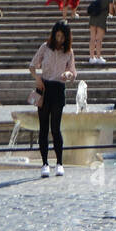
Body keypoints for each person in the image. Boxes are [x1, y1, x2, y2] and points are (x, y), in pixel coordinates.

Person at [30, 21, 77, 177]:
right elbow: (32, 65)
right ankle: (44, 163)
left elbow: (72, 72)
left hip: (58, 88)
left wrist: (68, 74)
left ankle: (59, 163)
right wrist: (37, 78)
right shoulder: (45, 47)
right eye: (57, 36)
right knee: (43, 127)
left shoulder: (68, 51)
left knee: (55, 127)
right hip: (44, 87)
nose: (59, 39)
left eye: (62, 37)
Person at [86, 0, 116, 64]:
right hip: (101, 20)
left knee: (92, 39)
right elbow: (111, 12)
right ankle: (98, 57)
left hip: (93, 19)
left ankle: (91, 57)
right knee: (99, 40)